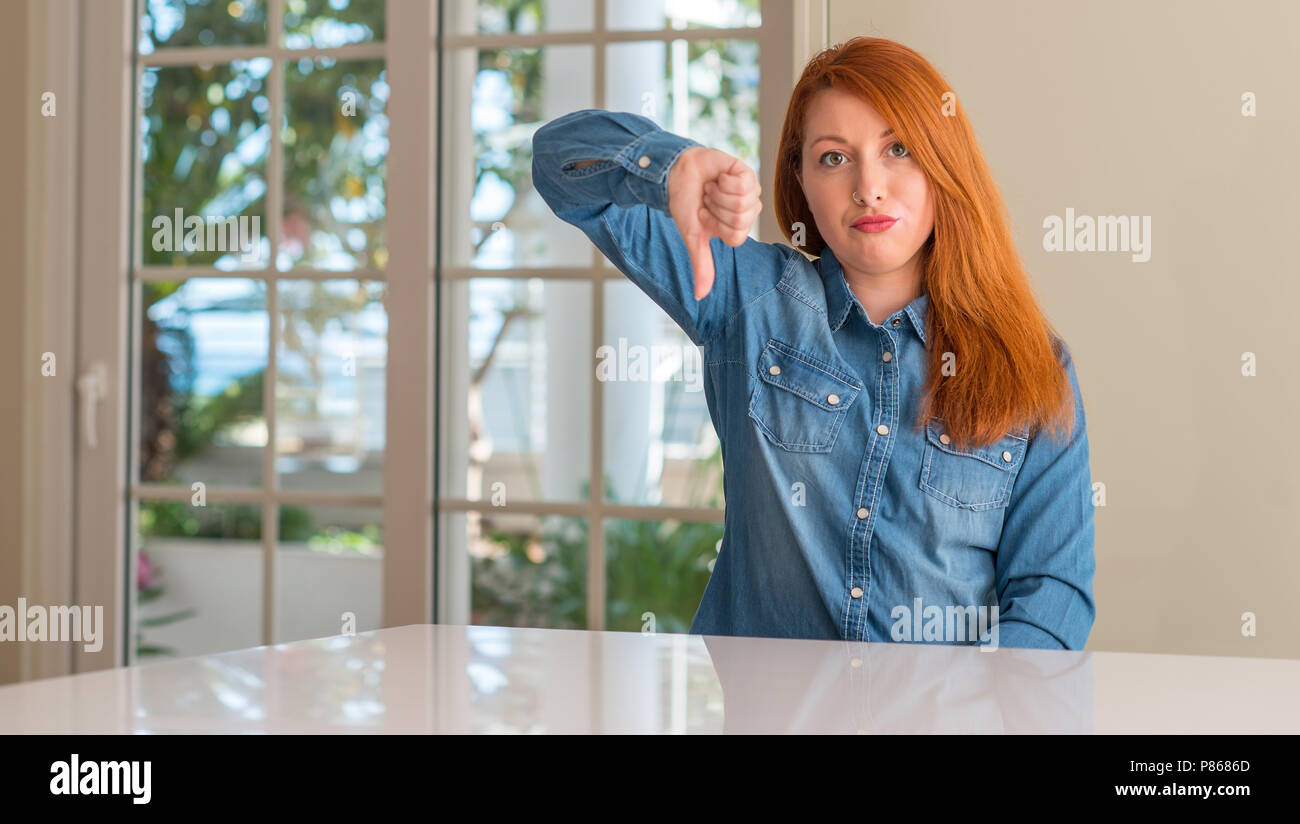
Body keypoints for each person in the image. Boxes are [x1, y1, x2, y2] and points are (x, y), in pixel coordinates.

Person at [530, 36, 1095, 649]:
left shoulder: (1033, 362)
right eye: (833, 158)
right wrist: (669, 165)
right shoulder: (745, 296)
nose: (868, 187)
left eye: (898, 149)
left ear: (943, 163)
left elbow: (1051, 597)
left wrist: (983, 701)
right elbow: (560, 165)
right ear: (800, 179)